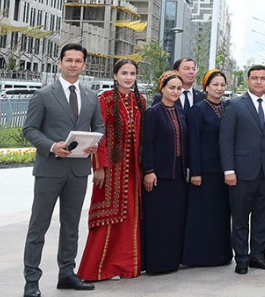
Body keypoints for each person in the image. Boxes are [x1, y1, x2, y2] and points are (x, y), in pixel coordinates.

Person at [21, 42, 104, 297]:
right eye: (69, 60)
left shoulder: (91, 96)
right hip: (49, 170)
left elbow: (99, 126)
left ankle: (67, 274)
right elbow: (29, 130)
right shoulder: (44, 94)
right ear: (60, 63)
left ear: (84, 65)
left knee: (70, 226)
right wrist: (51, 146)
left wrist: (94, 144)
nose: (73, 64)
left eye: (78, 61)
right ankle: (31, 280)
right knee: (39, 225)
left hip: (78, 171)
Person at [218, 64, 265, 275]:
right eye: (255, 78)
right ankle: (241, 258)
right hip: (241, 173)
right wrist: (228, 170)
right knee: (240, 219)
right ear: (248, 80)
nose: (259, 82)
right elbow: (225, 140)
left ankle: (257, 256)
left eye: (263, 78)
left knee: (262, 217)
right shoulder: (234, 105)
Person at [79, 58, 145, 282]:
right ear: (115, 76)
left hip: (133, 170)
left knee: (129, 218)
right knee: (106, 218)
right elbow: (99, 136)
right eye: (124, 73)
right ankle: (97, 270)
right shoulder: (105, 100)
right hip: (111, 170)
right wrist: (99, 167)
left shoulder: (140, 101)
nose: (128, 77)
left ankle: (125, 267)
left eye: (132, 73)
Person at [141, 72, 190, 274]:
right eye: (171, 88)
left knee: (174, 219)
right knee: (157, 220)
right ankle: (156, 263)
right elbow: (147, 143)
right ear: (162, 88)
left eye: (179, 88)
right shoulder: (154, 112)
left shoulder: (179, 112)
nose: (175, 92)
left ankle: (172, 261)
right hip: (158, 175)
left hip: (177, 175)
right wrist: (149, 170)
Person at [183, 69, 232, 268]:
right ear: (206, 87)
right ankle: (199, 256)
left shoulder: (227, 108)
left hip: (223, 171)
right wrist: (195, 172)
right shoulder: (197, 110)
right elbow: (193, 142)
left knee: (220, 215)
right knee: (201, 215)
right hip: (203, 172)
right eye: (215, 85)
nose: (219, 89)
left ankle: (220, 255)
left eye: (222, 85)